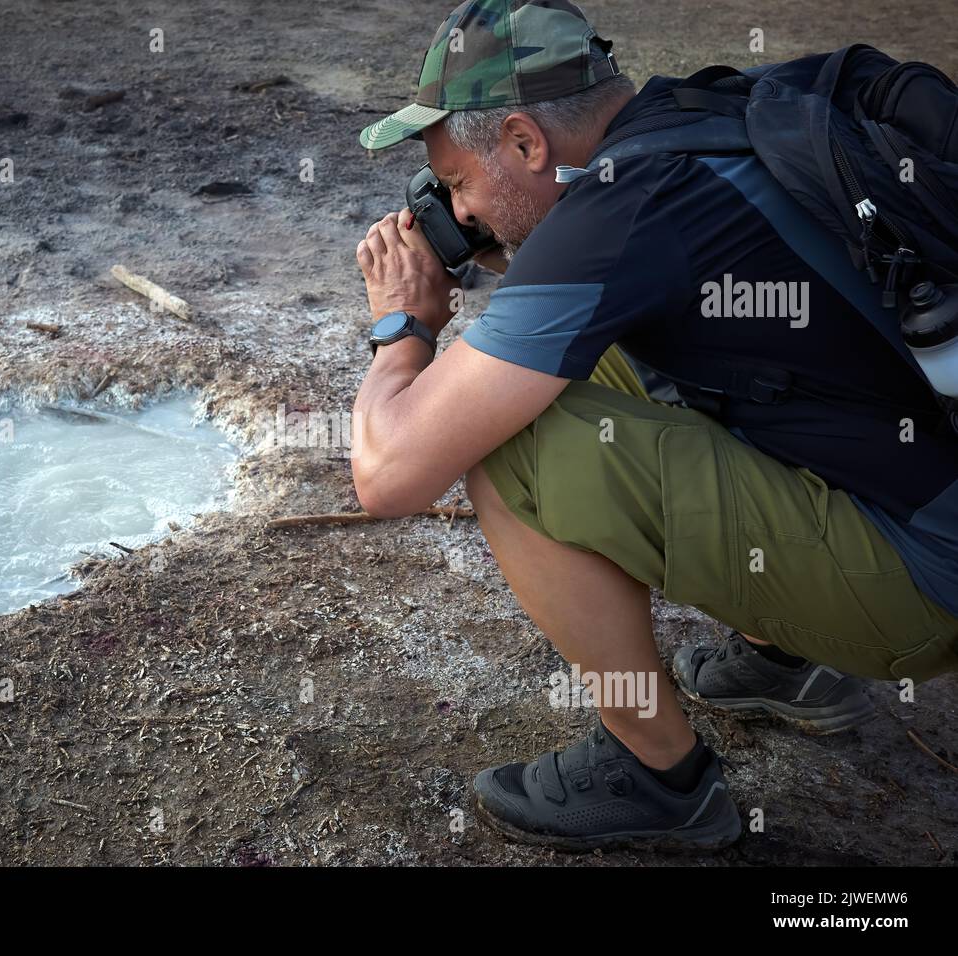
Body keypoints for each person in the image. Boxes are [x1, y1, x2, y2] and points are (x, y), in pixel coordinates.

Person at [351, 0, 958, 850]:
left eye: (460, 183)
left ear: (526, 143)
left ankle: (657, 774)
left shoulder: (622, 212)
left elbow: (388, 474)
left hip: (926, 583)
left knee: (506, 441)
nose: (462, 208)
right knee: (582, 359)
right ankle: (782, 661)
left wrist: (403, 328)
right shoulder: (712, 112)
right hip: (923, 488)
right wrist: (501, 233)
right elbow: (640, 269)